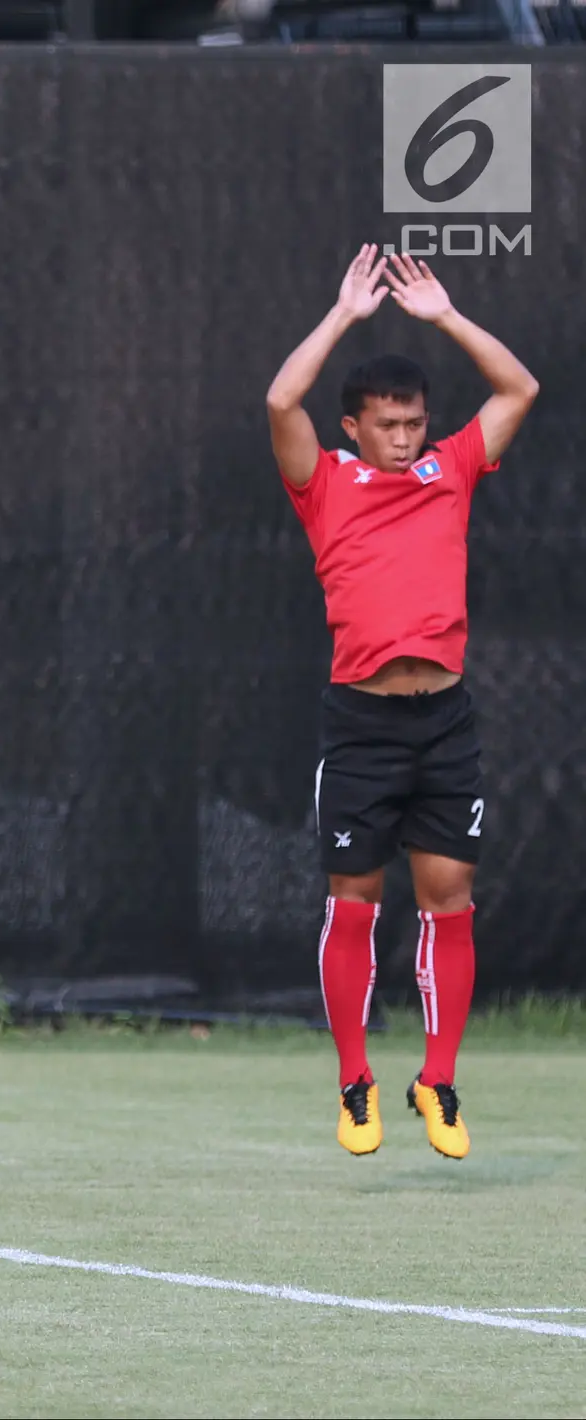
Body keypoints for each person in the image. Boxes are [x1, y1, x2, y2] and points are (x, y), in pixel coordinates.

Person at [264, 248, 536, 1160]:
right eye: (389, 425)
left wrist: (446, 317)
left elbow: (518, 389)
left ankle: (439, 1079)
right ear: (356, 425)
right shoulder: (326, 482)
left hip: (445, 722)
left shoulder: (451, 470)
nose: (407, 438)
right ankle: (354, 1080)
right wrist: (343, 313)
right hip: (364, 722)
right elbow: (278, 403)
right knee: (353, 900)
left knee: (449, 898)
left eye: (416, 423)